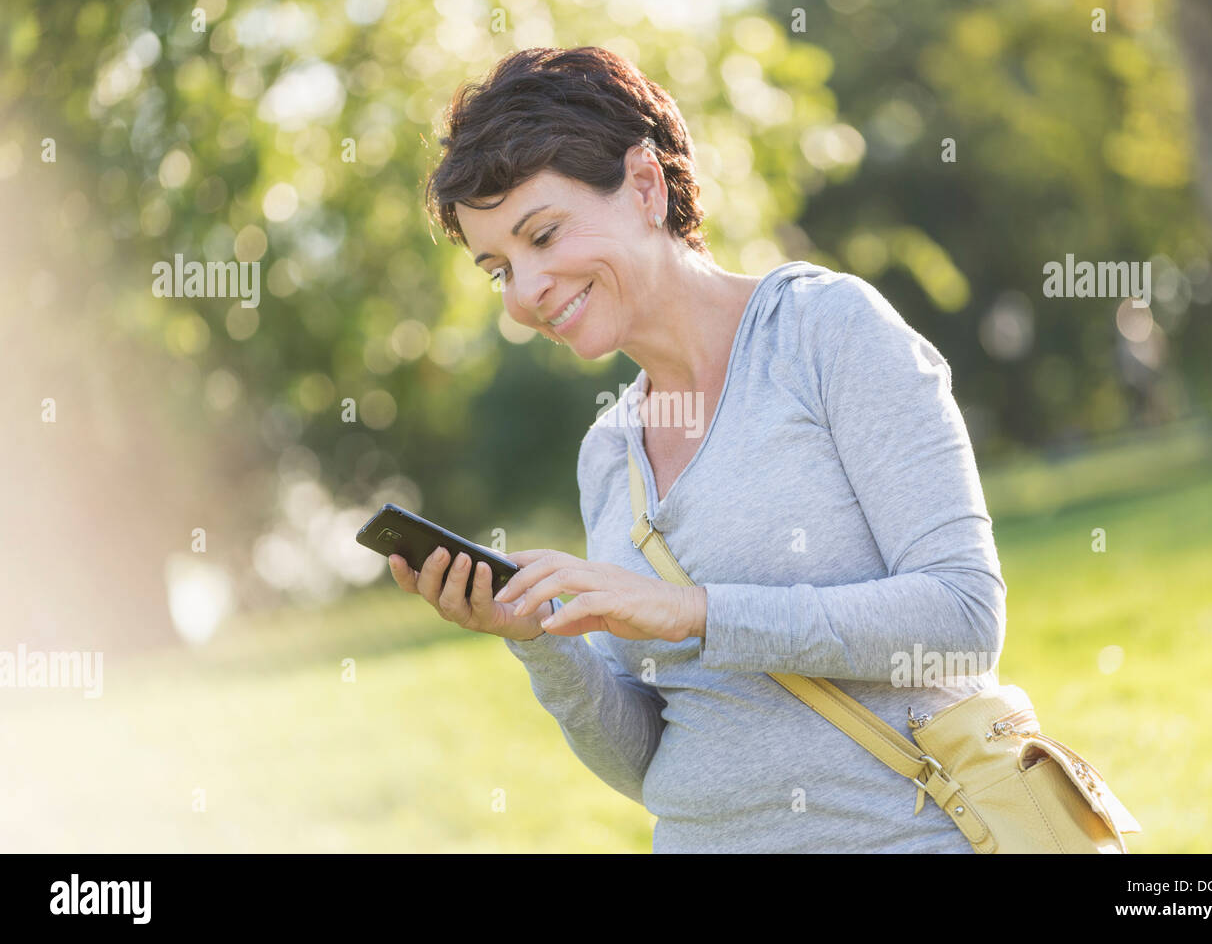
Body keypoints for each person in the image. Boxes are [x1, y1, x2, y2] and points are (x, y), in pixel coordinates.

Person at [392, 46, 1007, 852]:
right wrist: (538, 639)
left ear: (646, 186)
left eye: (543, 235)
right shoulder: (608, 454)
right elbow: (653, 757)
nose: (525, 292)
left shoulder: (823, 332)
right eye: (498, 267)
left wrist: (694, 611)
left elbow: (964, 615)